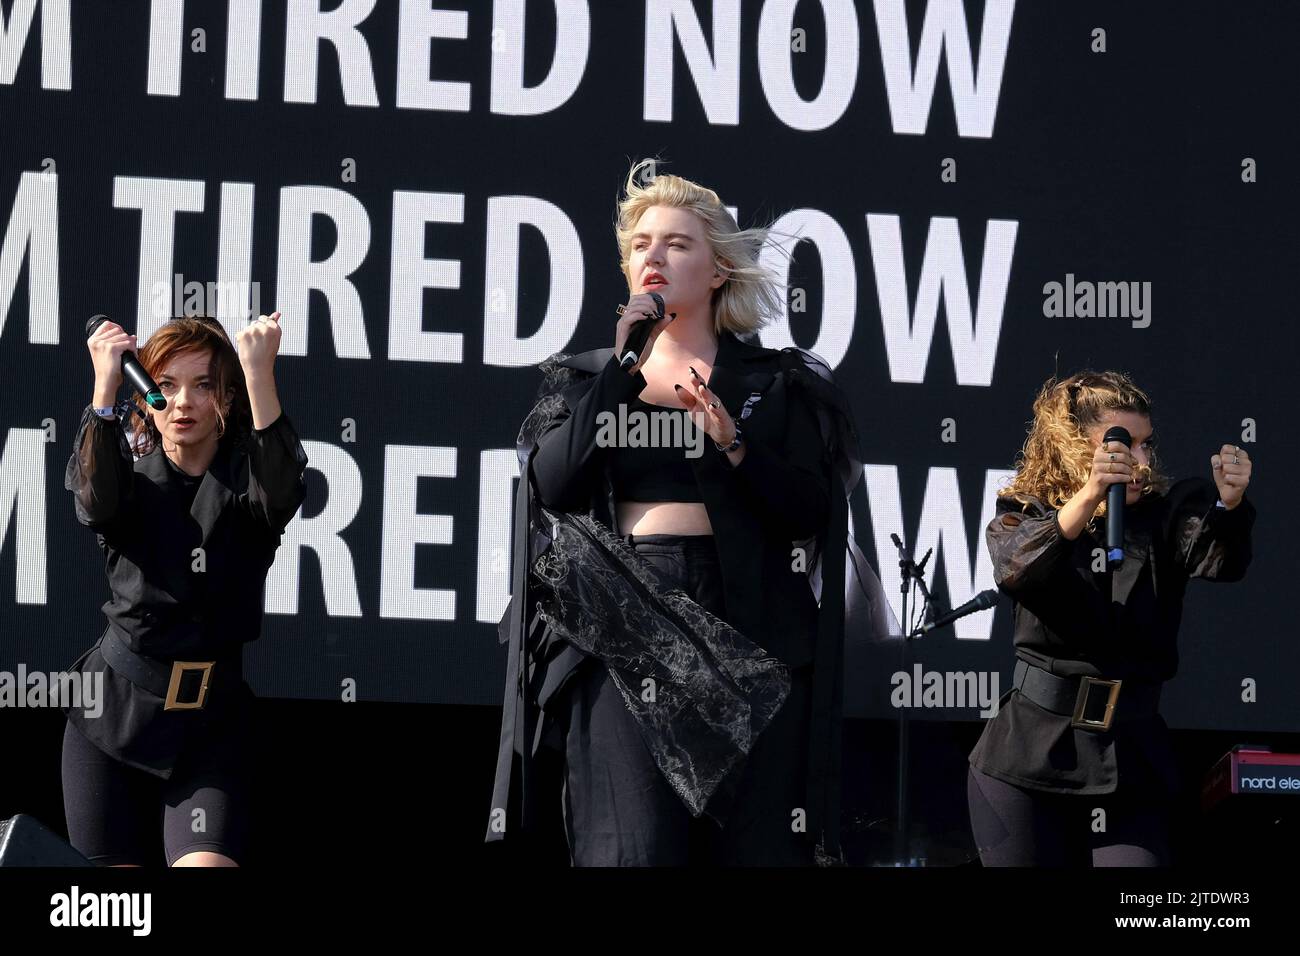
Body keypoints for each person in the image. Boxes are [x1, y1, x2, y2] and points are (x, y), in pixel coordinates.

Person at [487, 159, 891, 866]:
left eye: (677, 243)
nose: (654, 255)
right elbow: (550, 483)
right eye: (641, 244)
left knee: (755, 850)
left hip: (750, 618)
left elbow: (811, 509)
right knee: (635, 848)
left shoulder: (776, 384)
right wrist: (619, 372)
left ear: (716, 272)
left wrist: (735, 444)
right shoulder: (587, 380)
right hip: (623, 619)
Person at [967, 370, 1255, 866]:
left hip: (1131, 756)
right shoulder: (1024, 511)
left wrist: (1229, 505)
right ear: (1074, 446)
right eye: (1121, 445)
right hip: (1030, 755)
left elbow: (1217, 560)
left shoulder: (1165, 514)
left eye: (1145, 444)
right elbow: (1017, 567)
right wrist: (1093, 494)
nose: (1139, 461)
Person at [61, 312, 308, 867]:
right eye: (167, 385)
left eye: (203, 385)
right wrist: (105, 386)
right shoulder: (128, 477)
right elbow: (94, 498)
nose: (183, 403)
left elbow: (282, 489)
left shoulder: (246, 484)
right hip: (111, 721)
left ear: (226, 396)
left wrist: (258, 373)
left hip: (210, 727)